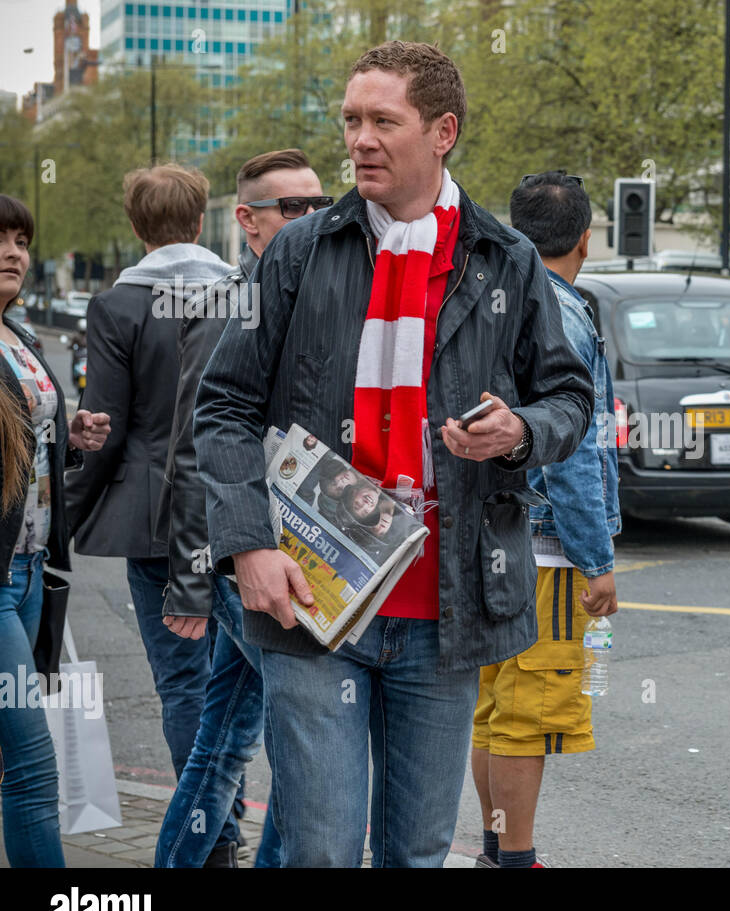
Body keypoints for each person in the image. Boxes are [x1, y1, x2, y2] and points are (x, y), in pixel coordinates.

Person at [193, 40, 593, 867]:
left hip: (446, 611)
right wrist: (247, 545)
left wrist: (520, 429)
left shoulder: (506, 259)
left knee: (415, 853)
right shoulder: (299, 251)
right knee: (323, 850)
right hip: (311, 601)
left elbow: (569, 399)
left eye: (383, 121)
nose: (360, 140)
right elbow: (224, 404)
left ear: (443, 132)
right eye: (351, 120)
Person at [154, 149, 330, 868]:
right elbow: (193, 448)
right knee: (308, 740)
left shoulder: (315, 292)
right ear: (247, 221)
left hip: (293, 553)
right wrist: (193, 579)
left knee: (225, 740)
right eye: (292, 207)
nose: (311, 217)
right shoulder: (230, 304)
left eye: (319, 203)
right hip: (247, 559)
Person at [64, 164, 234, 837]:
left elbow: (102, 428)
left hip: (155, 520)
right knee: (236, 682)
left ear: (136, 227)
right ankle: (226, 822)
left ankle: (211, 835)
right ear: (199, 220)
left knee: (184, 682)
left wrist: (66, 514)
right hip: (234, 511)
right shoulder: (241, 294)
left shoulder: (118, 306)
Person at [471, 171, 620, 868]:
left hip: (489, 536)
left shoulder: (494, 299)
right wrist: (596, 559)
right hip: (548, 547)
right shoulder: (565, 312)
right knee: (528, 714)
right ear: (585, 240)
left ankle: (494, 847)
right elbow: (572, 451)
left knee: (493, 707)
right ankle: (517, 858)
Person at [0, 194, 111, 867]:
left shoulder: (21, 337)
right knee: (33, 764)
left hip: (33, 570)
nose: (13, 252)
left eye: (21, 240)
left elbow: (23, 447)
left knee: (16, 759)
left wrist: (66, 438)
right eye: (0, 239)